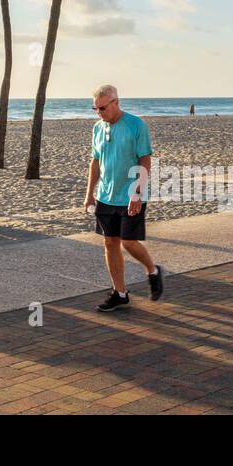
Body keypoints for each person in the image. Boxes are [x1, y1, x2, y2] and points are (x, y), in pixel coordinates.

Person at [83, 84, 163, 310]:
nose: (99, 113)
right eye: (95, 109)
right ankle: (120, 293)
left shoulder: (136, 125)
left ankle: (152, 270)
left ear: (116, 103)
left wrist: (137, 193)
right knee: (110, 243)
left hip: (131, 194)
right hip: (105, 196)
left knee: (128, 242)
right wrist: (89, 194)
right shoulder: (98, 128)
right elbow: (95, 162)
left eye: (103, 108)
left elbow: (145, 161)